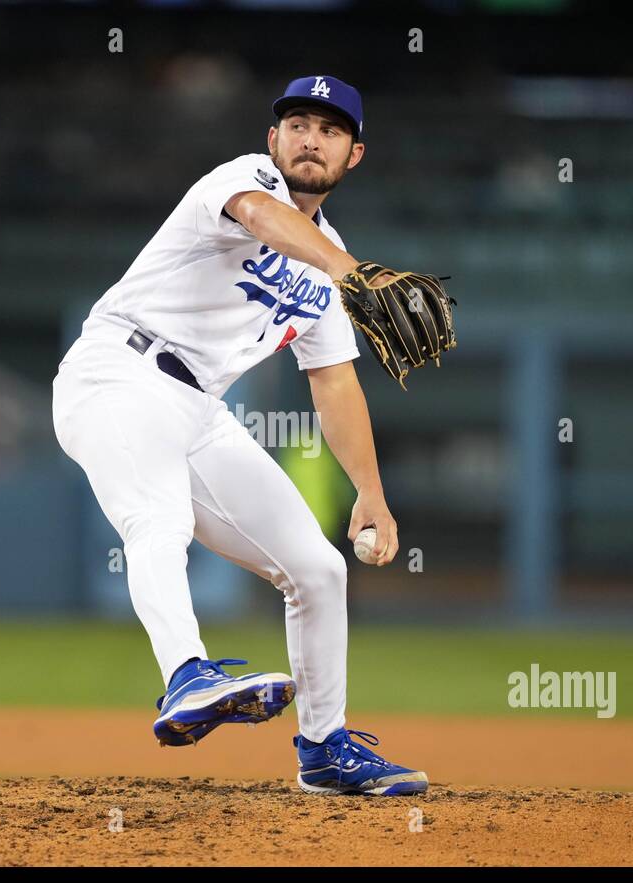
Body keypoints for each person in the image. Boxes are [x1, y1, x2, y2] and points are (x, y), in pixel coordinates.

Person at [51, 75, 428, 795]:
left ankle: (324, 749)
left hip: (198, 411)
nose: (310, 137)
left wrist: (371, 494)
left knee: (319, 571)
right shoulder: (246, 182)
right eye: (297, 123)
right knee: (156, 519)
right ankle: (185, 675)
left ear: (354, 155)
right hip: (117, 372)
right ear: (272, 140)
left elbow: (334, 383)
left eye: (330, 129)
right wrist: (349, 271)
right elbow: (258, 215)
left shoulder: (327, 266)